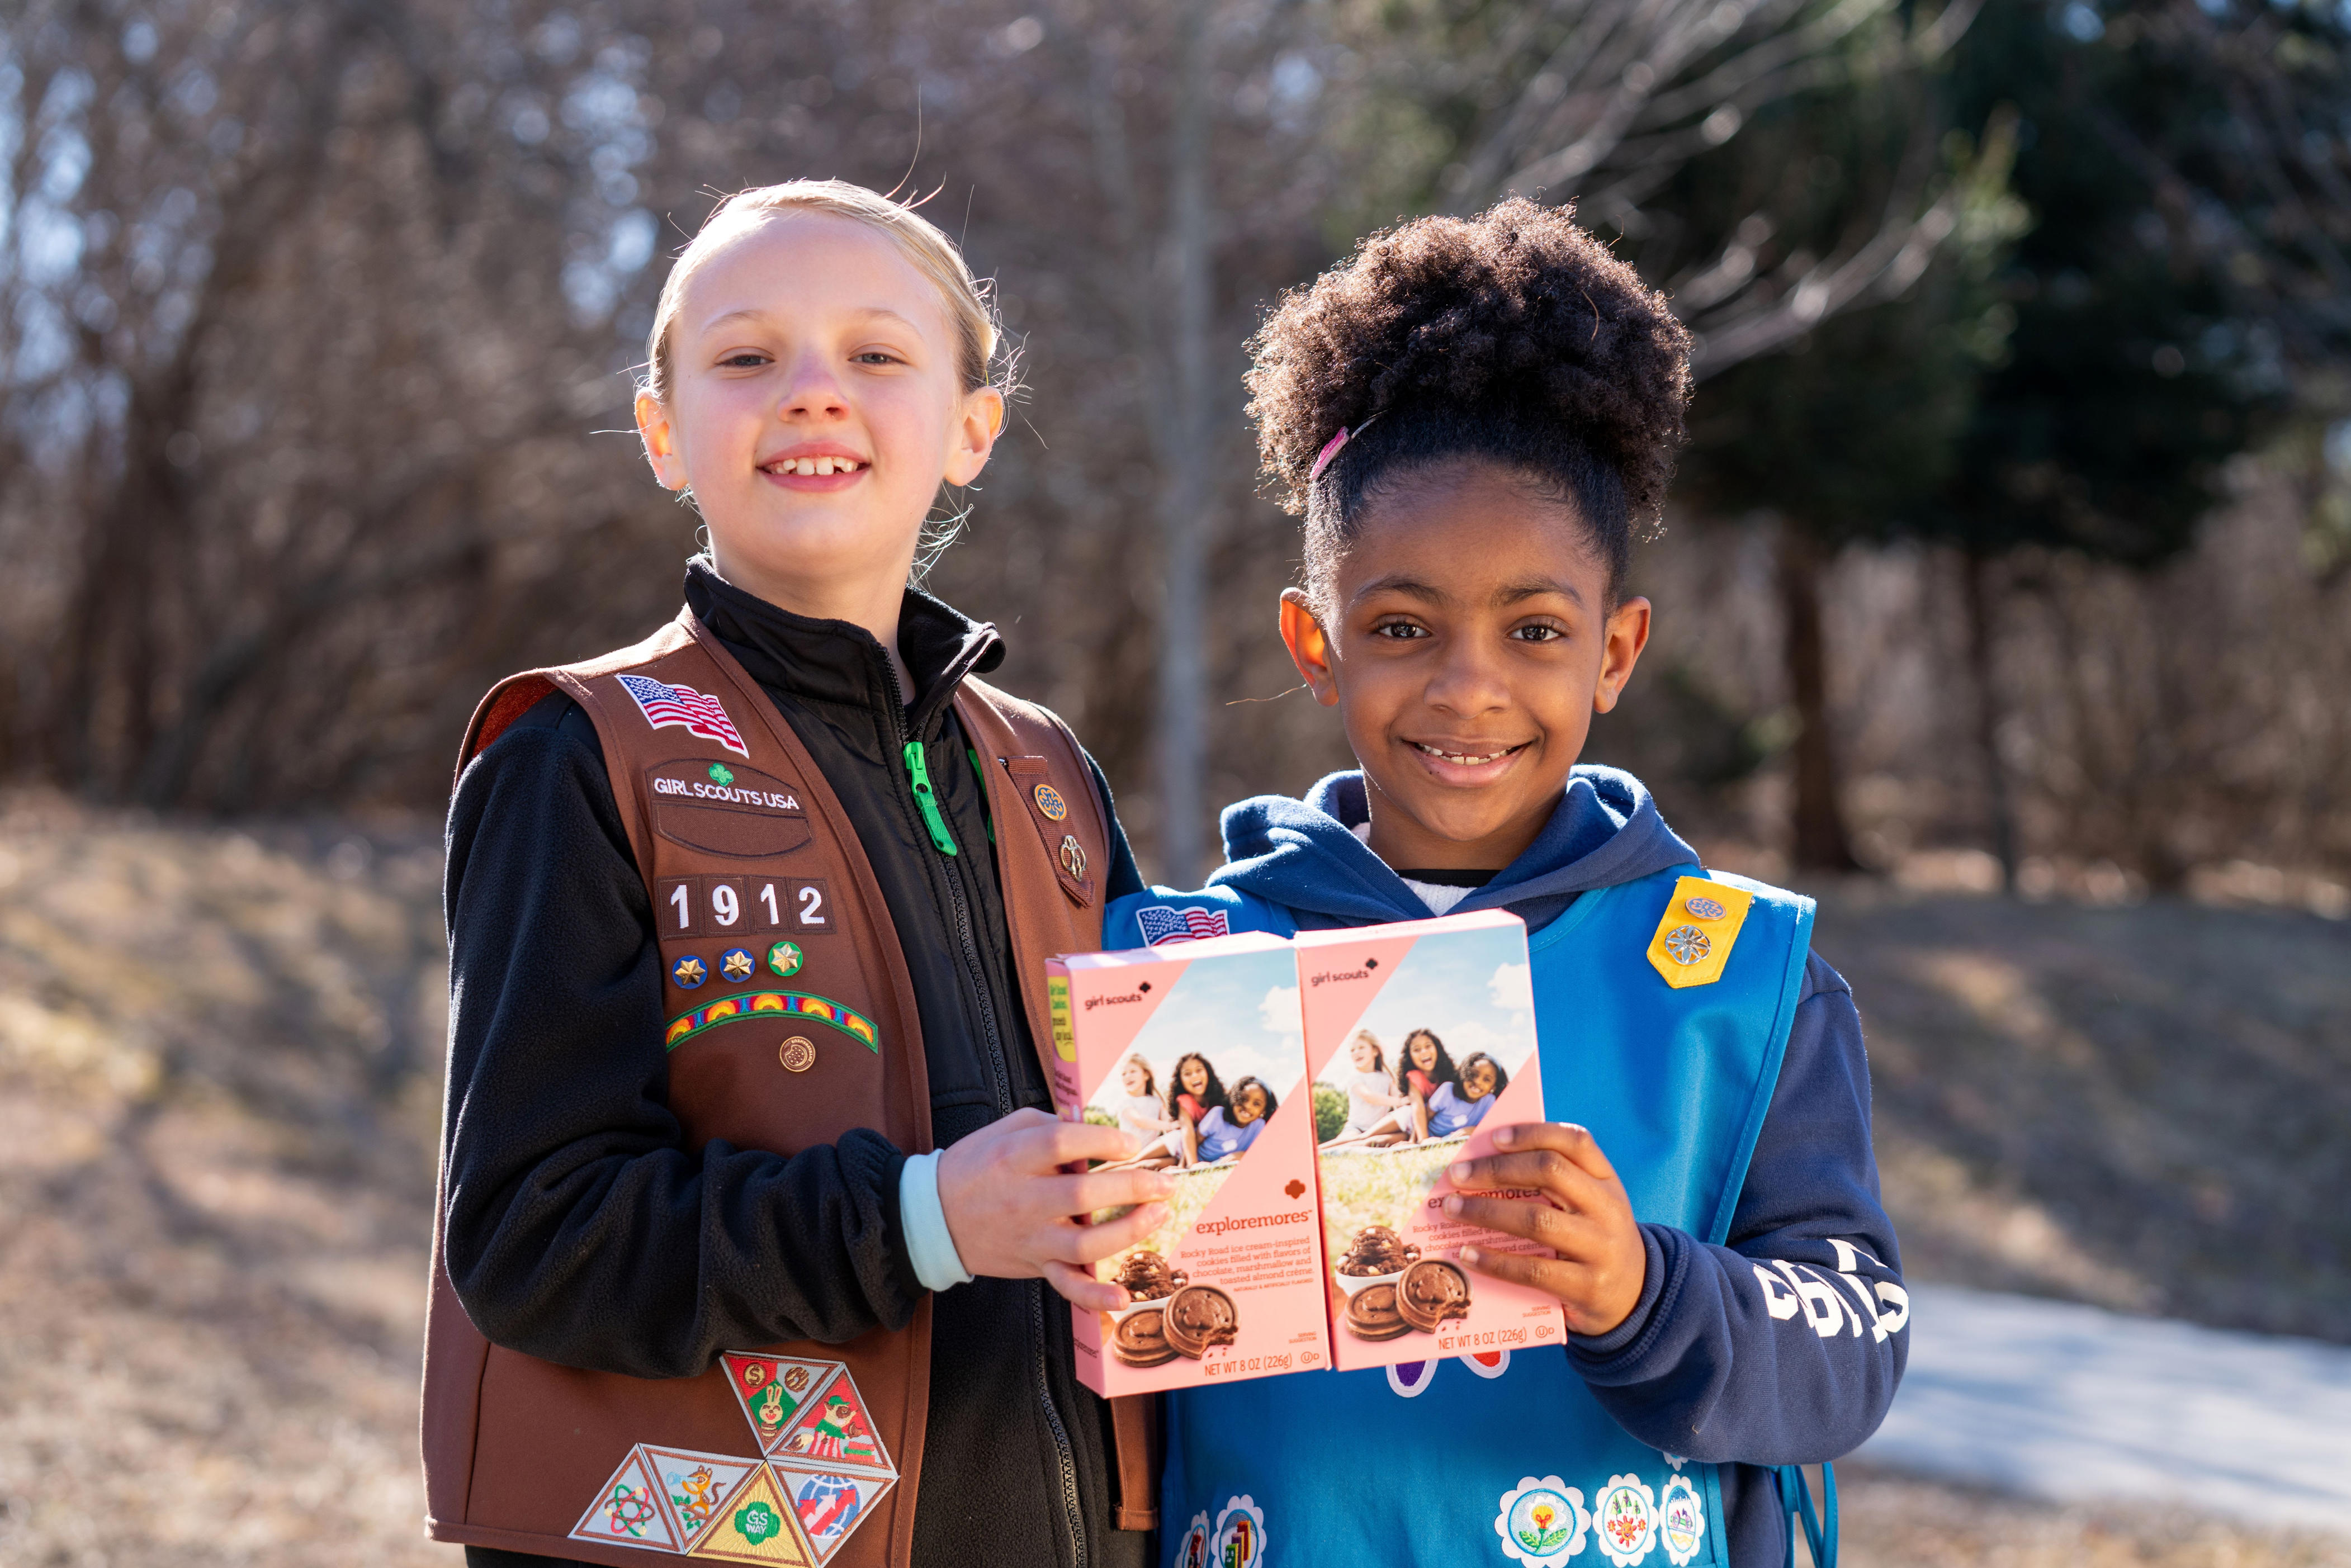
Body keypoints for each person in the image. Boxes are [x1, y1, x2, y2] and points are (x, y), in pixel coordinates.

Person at [1105, 199, 1908, 1567]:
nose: (1466, 684)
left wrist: (1644, 1288)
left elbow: (1852, 1348)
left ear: (1613, 649)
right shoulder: (1190, 965)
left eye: (1532, 629)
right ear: (1315, 642)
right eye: (1401, 625)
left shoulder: (1738, 976)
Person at [423, 180, 1174, 1568]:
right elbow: (538, 1239)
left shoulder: (1048, 773)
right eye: (746, 356)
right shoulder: (579, 756)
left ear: (969, 429)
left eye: (876, 355)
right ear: (663, 434)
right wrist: (925, 1217)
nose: (814, 393)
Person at [1191, 1077, 1278, 1164]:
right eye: (1243, 1099)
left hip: (1218, 1163)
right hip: (1198, 1159)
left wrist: (1243, 1155)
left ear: (1263, 1111)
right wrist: (1192, 1164)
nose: (1248, 1106)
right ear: (1234, 1098)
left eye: (1256, 1104)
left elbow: (1261, 1152)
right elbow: (1195, 1140)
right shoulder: (1218, 1114)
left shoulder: (1259, 1126)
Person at [1334, 1030, 1403, 1138]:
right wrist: (1400, 1101)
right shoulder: (1354, 1077)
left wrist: (1402, 1105)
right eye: (1352, 1050)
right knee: (1350, 1140)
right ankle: (1322, 1149)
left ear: (1375, 1051)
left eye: (1361, 1047)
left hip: (1379, 1129)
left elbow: (1398, 1100)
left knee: (1402, 1135)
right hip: (1356, 1128)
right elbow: (1368, 1096)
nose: (1356, 1052)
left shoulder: (1387, 1078)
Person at [1111, 1054, 1174, 1144]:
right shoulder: (1125, 1102)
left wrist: (1176, 1127)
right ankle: (1134, 1159)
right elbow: (1139, 1121)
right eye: (1124, 1074)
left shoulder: (1157, 1101)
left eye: (1133, 1071)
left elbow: (1168, 1125)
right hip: (1129, 1150)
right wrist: (1170, 1126)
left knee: (1175, 1139)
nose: (1127, 1076)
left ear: (1146, 1075)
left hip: (1148, 1150)